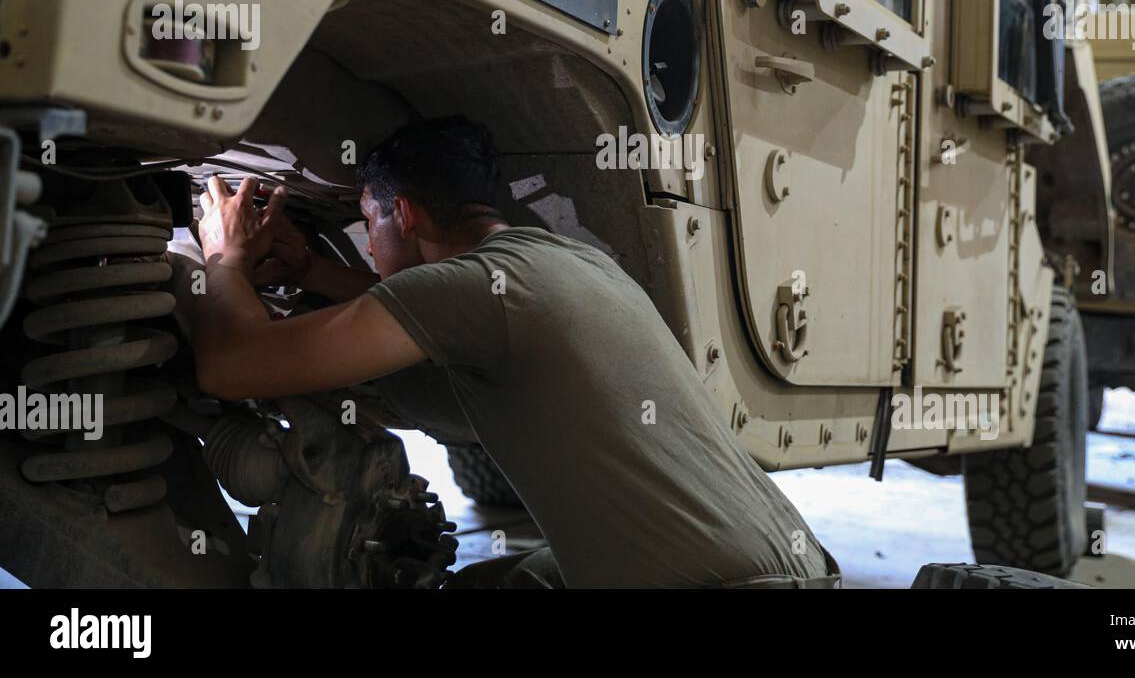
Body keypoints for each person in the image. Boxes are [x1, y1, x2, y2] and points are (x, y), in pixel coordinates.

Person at [193, 115, 839, 588]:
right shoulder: (568, 264)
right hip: (799, 566)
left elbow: (230, 365)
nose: (366, 244)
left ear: (406, 215)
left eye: (369, 222)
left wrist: (226, 256)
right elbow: (429, 306)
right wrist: (308, 268)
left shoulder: (471, 294)